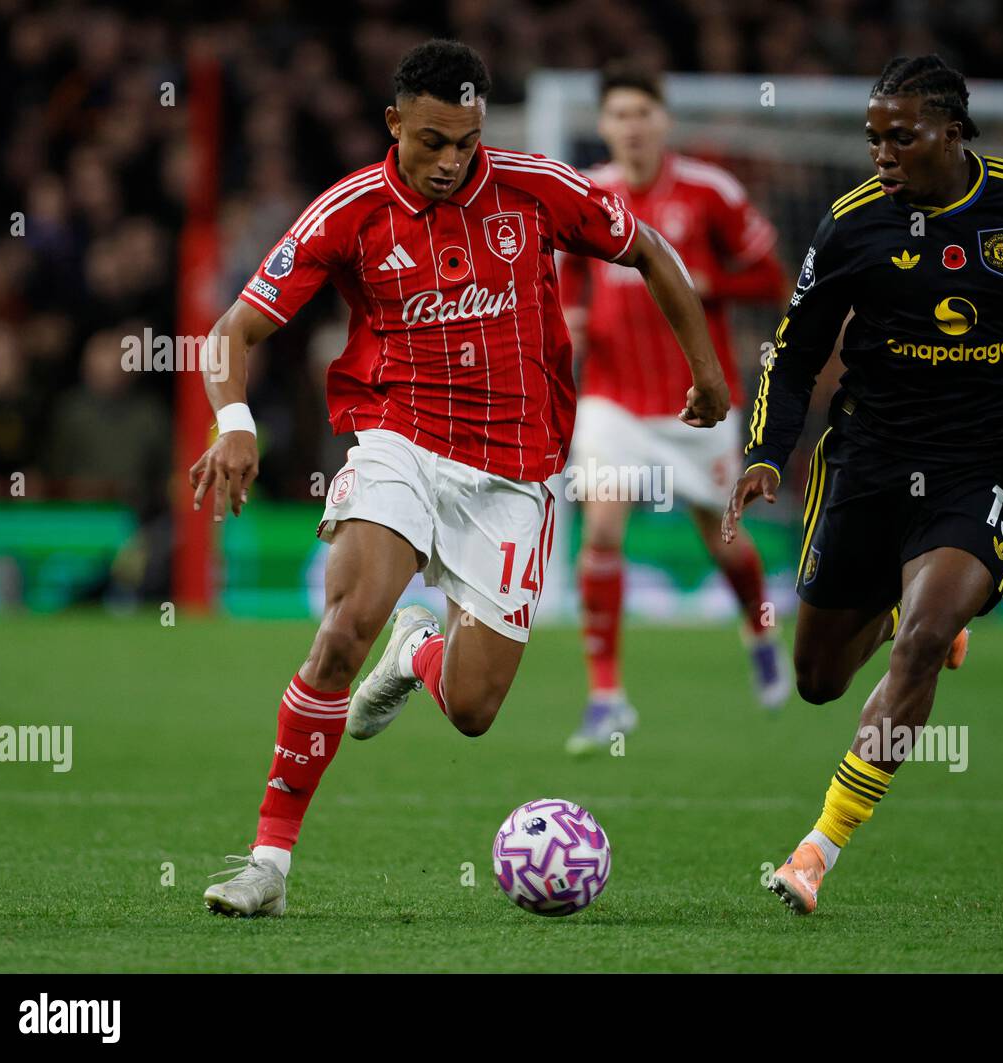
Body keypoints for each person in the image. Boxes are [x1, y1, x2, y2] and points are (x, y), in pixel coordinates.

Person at [194, 39, 728, 917]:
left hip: (517, 469)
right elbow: (233, 331)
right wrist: (236, 423)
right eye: (433, 141)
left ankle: (419, 650)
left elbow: (653, 254)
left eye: (467, 142)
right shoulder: (350, 210)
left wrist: (705, 372)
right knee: (343, 626)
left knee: (474, 708)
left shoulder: (535, 187)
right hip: (397, 439)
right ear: (394, 123)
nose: (451, 161)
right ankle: (268, 864)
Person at [722, 55, 1003, 915]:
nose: (883, 154)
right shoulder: (851, 227)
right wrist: (764, 453)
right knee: (819, 677)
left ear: (953, 132)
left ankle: (815, 852)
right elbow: (795, 349)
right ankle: (906, 606)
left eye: (902, 136)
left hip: (989, 462)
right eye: (873, 138)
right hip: (871, 460)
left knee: (925, 639)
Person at [559, 64, 790, 753]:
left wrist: (706, 281)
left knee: (723, 538)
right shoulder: (587, 194)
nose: (631, 126)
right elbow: (571, 273)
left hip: (697, 399)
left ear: (664, 121)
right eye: (619, 115)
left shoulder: (709, 192)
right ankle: (606, 697)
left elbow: (772, 278)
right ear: (603, 126)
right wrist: (569, 327)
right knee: (600, 529)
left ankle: (759, 626)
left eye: (642, 113)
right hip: (613, 397)